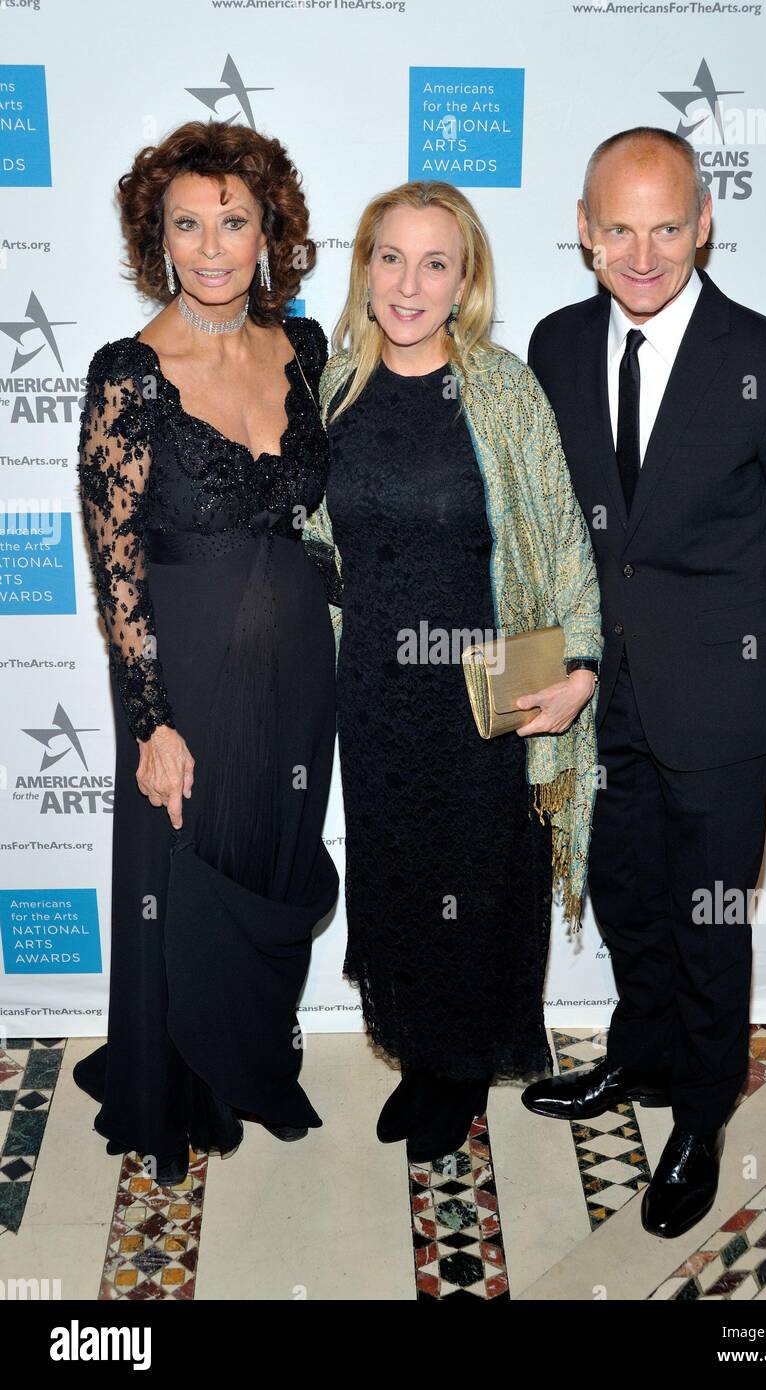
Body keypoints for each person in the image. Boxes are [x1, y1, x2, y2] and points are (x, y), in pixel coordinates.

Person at [522, 127, 766, 1237]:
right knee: (625, 897)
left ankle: (700, 1117)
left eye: (665, 225)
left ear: (703, 223)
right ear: (583, 229)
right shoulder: (556, 344)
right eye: (615, 226)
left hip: (721, 705)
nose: (641, 250)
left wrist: (752, 675)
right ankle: (640, 1057)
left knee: (709, 919)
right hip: (595, 694)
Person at [302, 180, 601, 1163]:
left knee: (473, 883)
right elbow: (308, 534)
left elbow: (558, 535)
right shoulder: (332, 390)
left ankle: (460, 1065)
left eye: (435, 261)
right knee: (394, 879)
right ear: (365, 266)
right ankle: (424, 1055)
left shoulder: (501, 388)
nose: (408, 281)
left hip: (484, 694)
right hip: (376, 697)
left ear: (463, 278)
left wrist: (580, 666)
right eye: (390, 257)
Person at [74, 120, 339, 1187]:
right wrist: (153, 722)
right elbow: (116, 567)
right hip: (183, 673)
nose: (214, 246)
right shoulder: (128, 376)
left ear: (268, 227)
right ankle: (172, 1091)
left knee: (272, 863)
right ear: (159, 239)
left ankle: (254, 1066)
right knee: (181, 878)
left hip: (299, 679)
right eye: (188, 224)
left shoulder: (305, 348)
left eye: (234, 220)